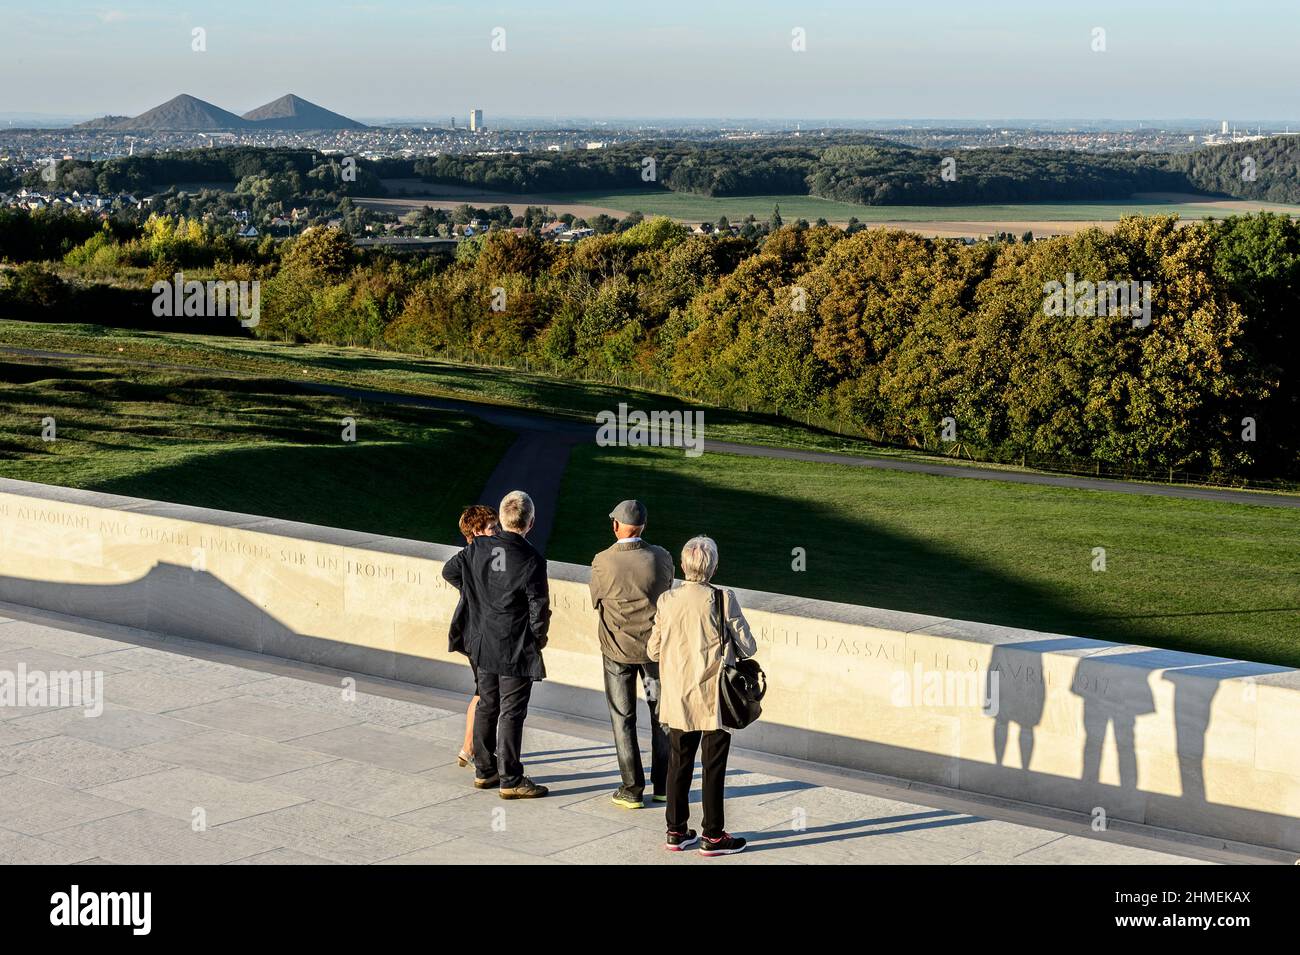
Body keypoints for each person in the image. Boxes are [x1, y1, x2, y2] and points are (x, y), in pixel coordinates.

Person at [648, 535, 757, 856]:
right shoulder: (724, 598)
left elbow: (653, 649)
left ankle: (676, 830)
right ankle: (713, 835)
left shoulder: (668, 600)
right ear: (713, 567)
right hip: (714, 700)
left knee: (678, 765)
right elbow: (749, 646)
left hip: (679, 697)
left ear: (683, 565)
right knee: (713, 768)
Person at [441, 490, 550, 799]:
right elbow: (538, 609)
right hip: (513, 645)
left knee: (489, 704)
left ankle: (485, 770)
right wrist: (538, 639)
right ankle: (511, 778)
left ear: (502, 519)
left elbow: (449, 571)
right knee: (511, 712)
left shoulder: (478, 549)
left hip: (482, 640)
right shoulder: (532, 559)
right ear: (530, 522)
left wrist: (475, 596)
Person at [589, 500, 675, 809]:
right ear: (643, 527)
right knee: (660, 715)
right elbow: (666, 595)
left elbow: (597, 600)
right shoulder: (661, 557)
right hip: (652, 655)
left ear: (616, 526)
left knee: (622, 717)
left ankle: (632, 787)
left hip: (617, 652)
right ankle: (663, 785)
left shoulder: (602, 561)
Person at [448, 504, 498, 768]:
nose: (497, 530)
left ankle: (469, 746)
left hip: (474, 634)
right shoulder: (472, 554)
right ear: (477, 531)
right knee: (484, 693)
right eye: (492, 527)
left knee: (481, 691)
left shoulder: (476, 554)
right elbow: (448, 571)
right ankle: (470, 746)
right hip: (479, 634)